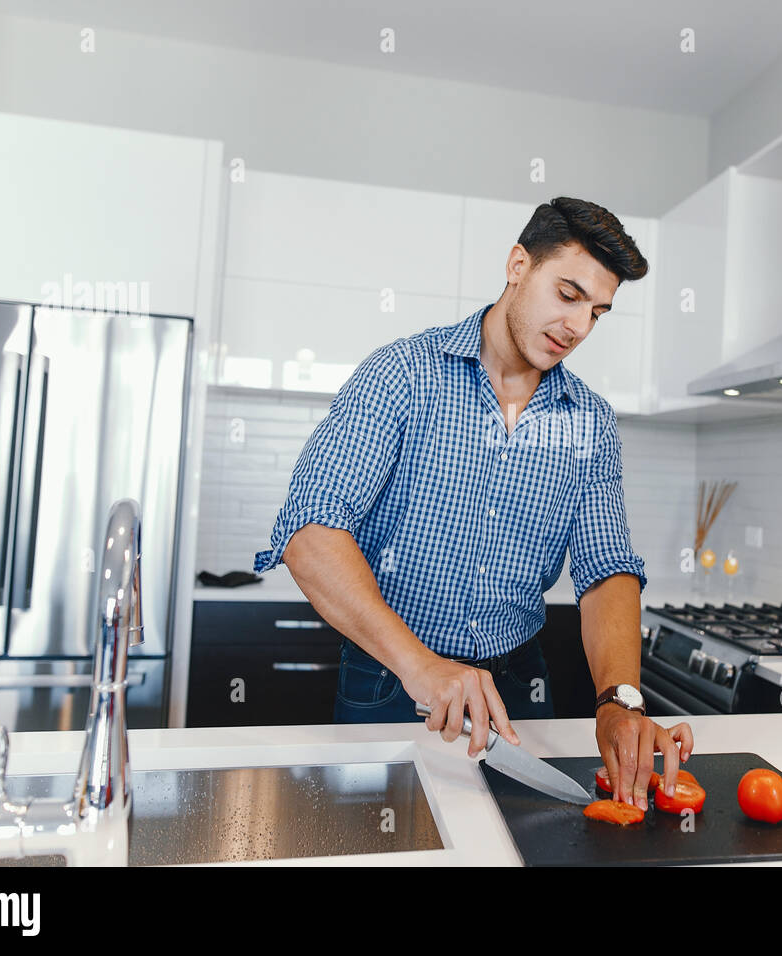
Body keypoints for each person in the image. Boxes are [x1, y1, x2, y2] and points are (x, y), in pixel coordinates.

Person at [254, 197, 693, 810]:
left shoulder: (590, 420)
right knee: (390, 841)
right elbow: (310, 532)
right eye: (567, 294)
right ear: (518, 265)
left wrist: (620, 699)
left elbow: (606, 568)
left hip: (518, 681)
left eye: (597, 312)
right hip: (392, 676)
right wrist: (423, 667)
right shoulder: (403, 375)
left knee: (524, 840)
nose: (578, 327)